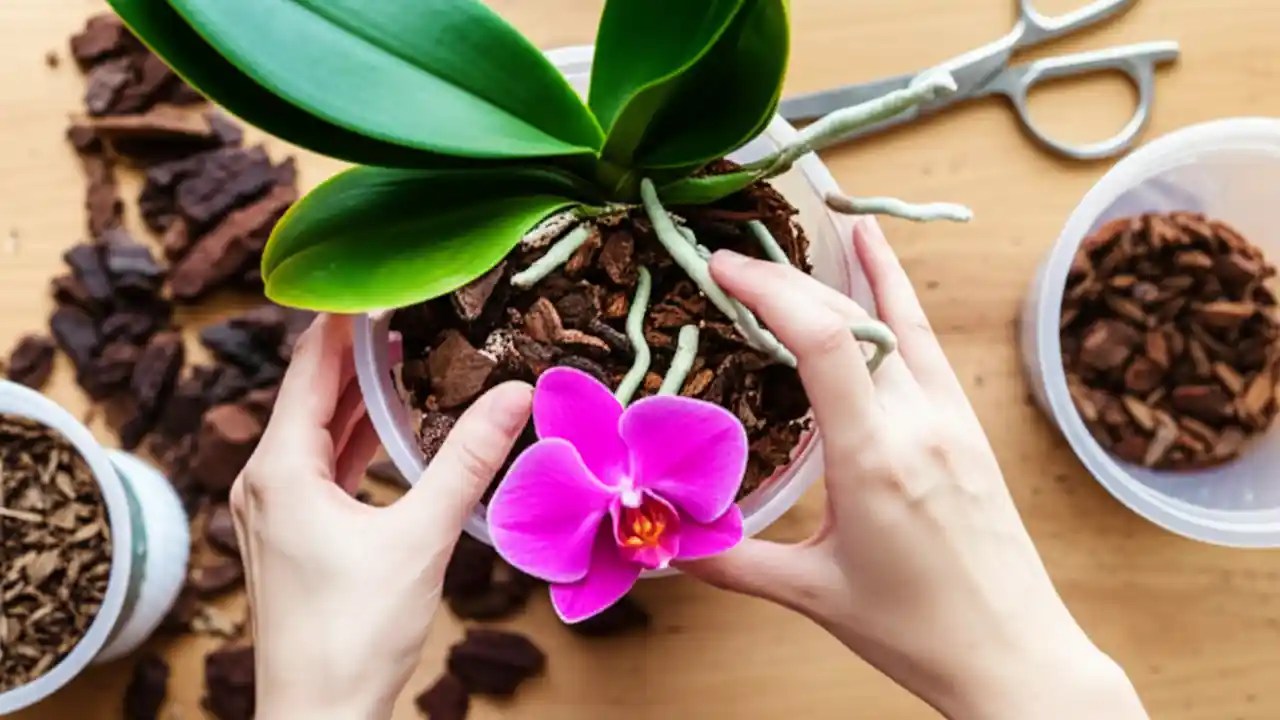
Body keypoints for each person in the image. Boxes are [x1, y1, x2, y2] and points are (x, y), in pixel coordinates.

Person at [231, 220, 1149, 719]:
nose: (644, 539)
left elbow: (689, 472)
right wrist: (1032, 678)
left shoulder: (676, 483)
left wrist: (315, 703)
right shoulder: (640, 517)